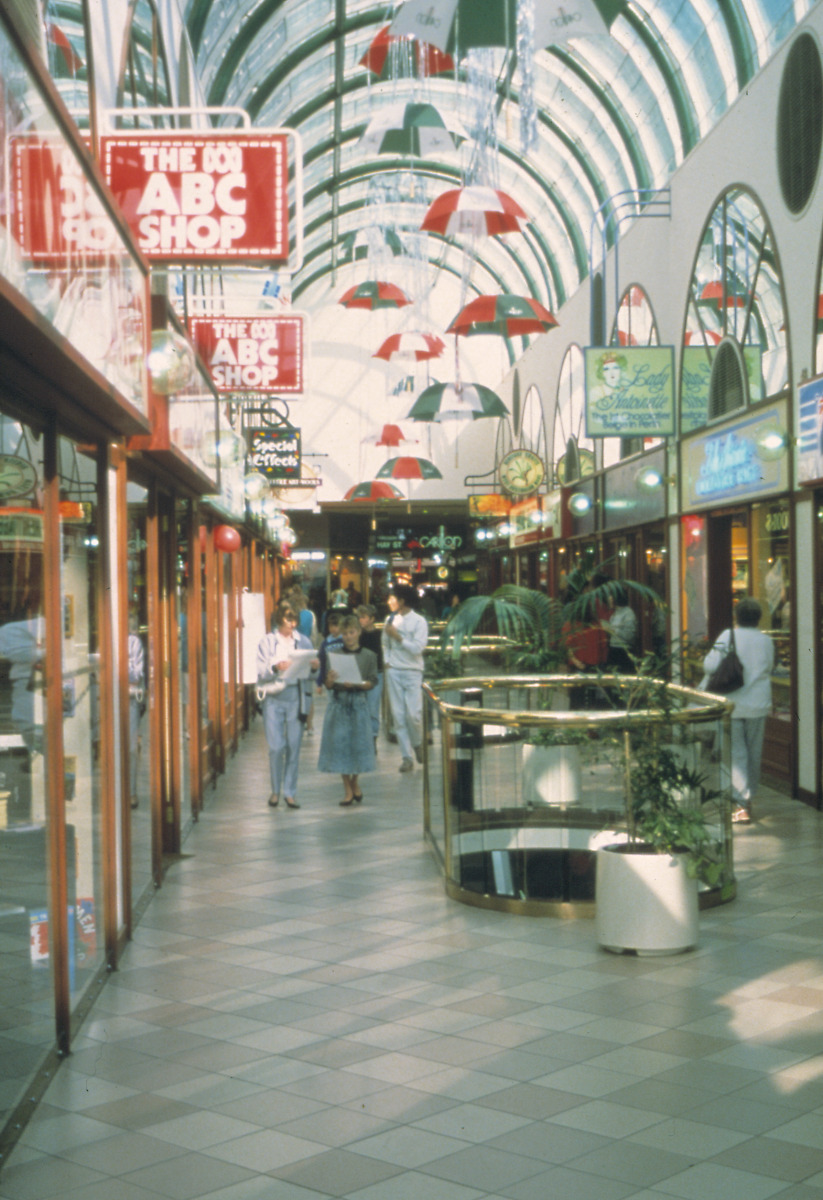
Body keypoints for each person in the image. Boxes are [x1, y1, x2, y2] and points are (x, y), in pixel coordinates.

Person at [700, 596, 774, 824]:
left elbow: (709, 666)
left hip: (732, 702)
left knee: (737, 754)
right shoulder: (766, 641)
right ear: (758, 618)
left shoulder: (728, 635)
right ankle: (747, 799)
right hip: (759, 703)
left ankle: (741, 804)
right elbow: (770, 667)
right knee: (754, 753)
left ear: (737, 616)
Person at [256, 601, 318, 810]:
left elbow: (312, 674)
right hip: (274, 697)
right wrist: (275, 667)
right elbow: (261, 671)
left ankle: (290, 792)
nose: (292, 625)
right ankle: (275, 790)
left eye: (294, 621)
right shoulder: (267, 641)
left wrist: (315, 667)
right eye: (288, 620)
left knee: (293, 745)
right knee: (275, 747)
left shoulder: (304, 642)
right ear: (279, 619)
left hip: (296, 696)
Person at [318, 614, 377, 806]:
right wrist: (330, 680)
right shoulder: (334, 655)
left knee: (359, 744)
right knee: (341, 745)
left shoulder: (369, 656)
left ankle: (355, 781)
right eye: (345, 634)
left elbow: (372, 682)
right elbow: (328, 683)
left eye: (352, 632)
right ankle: (347, 788)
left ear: (358, 632)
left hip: (358, 701)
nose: (348, 637)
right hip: (339, 703)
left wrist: (360, 684)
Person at [382, 584, 429, 773]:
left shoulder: (419, 622)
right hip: (394, 670)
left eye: (394, 598)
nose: (390, 601)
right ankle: (406, 756)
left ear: (402, 601)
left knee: (413, 714)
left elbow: (418, 648)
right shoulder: (390, 619)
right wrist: (387, 662)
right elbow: (385, 644)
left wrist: (399, 638)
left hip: (412, 671)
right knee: (398, 715)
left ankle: (417, 743)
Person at [356, 604, 383, 749]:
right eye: (359, 617)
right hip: (361, 674)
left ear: (371, 619)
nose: (361, 620)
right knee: (361, 707)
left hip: (376, 674)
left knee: (373, 707)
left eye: (364, 617)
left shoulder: (379, 635)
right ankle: (363, 738)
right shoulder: (358, 635)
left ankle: (372, 738)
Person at [127, 615, 145, 809]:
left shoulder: (134, 642)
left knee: (131, 748)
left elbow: (136, 674)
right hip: (108, 699)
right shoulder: (104, 642)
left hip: (129, 699)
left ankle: (131, 791)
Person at [605, 584, 638, 673]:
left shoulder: (628, 613)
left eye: (611, 596)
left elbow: (629, 635)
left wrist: (613, 630)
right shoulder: (614, 614)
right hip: (612, 650)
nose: (609, 598)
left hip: (623, 652)